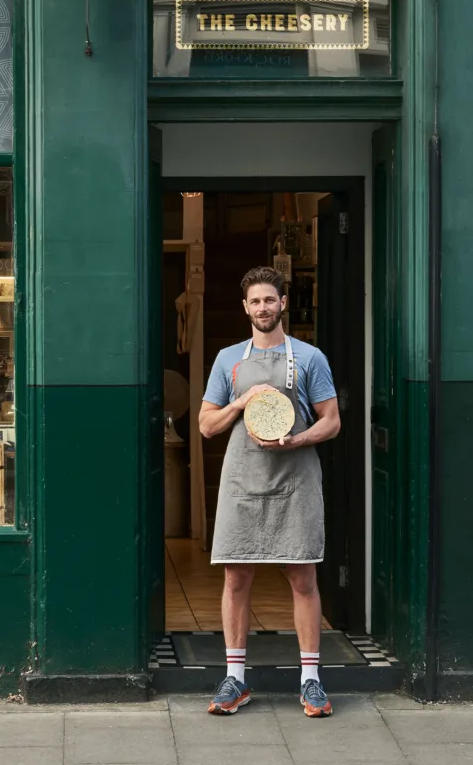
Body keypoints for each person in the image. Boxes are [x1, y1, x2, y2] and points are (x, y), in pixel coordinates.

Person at [198, 266, 341, 718]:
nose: (263, 308)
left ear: (283, 303)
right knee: (236, 577)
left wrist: (297, 440)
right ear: (246, 307)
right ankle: (235, 679)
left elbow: (331, 421)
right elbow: (206, 425)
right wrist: (240, 403)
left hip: (295, 479)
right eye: (255, 301)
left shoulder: (310, 357)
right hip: (242, 480)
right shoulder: (228, 360)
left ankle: (311, 680)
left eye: (270, 300)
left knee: (303, 578)